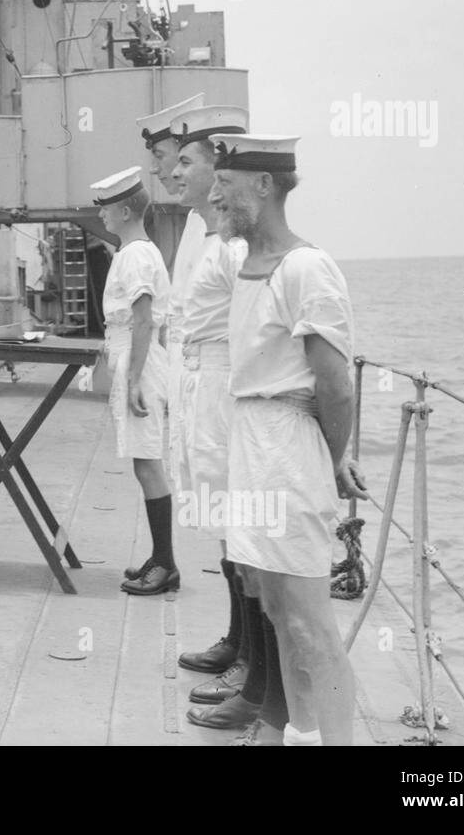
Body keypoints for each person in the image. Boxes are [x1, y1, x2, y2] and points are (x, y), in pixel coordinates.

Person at [208, 132, 366, 746]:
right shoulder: (247, 264)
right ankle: (302, 735)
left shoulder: (306, 267)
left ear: (265, 185)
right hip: (253, 443)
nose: (217, 195)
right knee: (275, 613)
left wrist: (327, 461)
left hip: (288, 448)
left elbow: (337, 385)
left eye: (227, 184)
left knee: (311, 628)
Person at [153, 105, 270, 733]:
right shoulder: (198, 231)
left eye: (188, 162)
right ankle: (236, 640)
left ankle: (252, 664)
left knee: (238, 525)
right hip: (198, 381)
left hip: (223, 387)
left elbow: (250, 326)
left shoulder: (227, 239)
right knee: (222, 523)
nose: (174, 171)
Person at [89, 167, 176, 596]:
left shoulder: (137, 254)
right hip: (130, 354)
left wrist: (137, 379)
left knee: (148, 462)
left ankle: (167, 564)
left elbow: (144, 321)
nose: (101, 215)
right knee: (144, 462)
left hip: (138, 360)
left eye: (105, 207)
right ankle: (161, 557)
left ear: (124, 209)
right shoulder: (132, 251)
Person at [134, 94, 208, 514]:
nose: (159, 169)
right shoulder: (197, 220)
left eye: (164, 156)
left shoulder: (215, 229)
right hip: (189, 386)